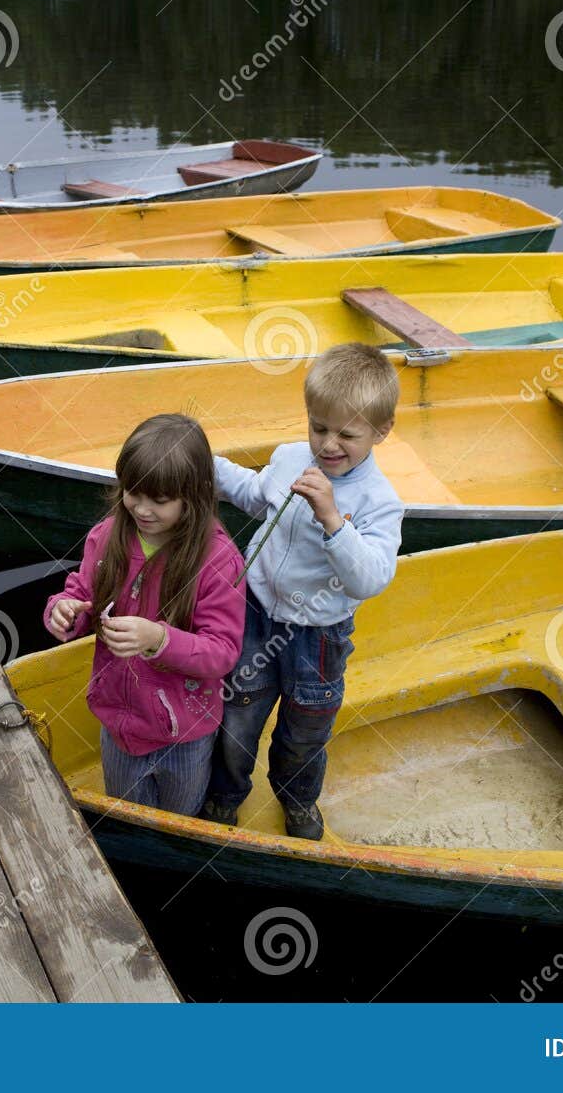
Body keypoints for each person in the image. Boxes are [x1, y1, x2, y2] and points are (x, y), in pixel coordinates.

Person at [201, 343, 404, 839]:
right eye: (319, 427)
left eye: (347, 434)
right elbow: (255, 496)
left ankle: (297, 800)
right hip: (255, 611)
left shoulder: (380, 502)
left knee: (307, 726)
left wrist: (334, 521)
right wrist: (204, 463)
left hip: (318, 634)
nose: (329, 444)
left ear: (381, 432)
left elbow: (370, 578)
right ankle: (225, 795)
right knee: (237, 708)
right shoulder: (291, 457)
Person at [44, 413, 245, 815]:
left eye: (159, 499)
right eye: (133, 492)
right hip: (118, 724)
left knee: (178, 819)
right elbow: (82, 592)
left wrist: (159, 639)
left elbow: (222, 652)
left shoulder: (219, 560)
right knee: (129, 816)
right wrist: (64, 611)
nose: (141, 508)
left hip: (184, 733)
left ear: (195, 495)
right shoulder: (106, 536)